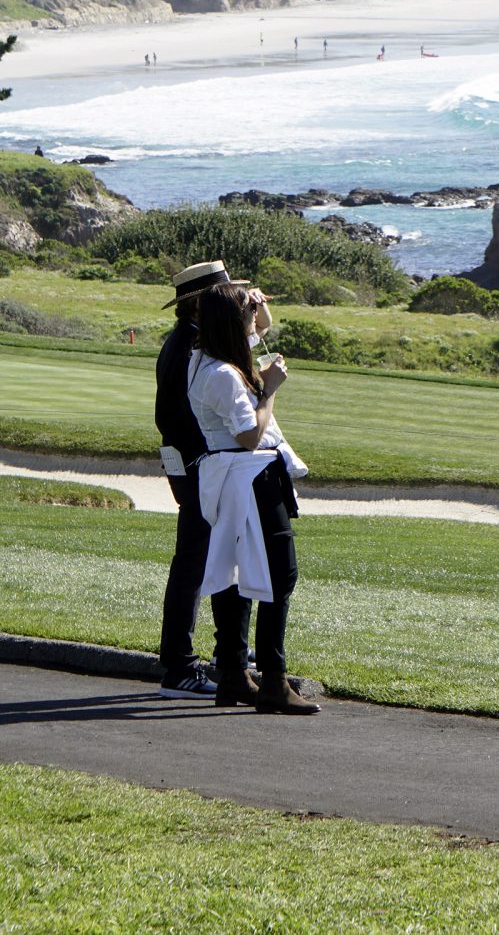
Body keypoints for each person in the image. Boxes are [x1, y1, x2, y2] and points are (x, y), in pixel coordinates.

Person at [188, 281, 319, 715]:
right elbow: (248, 436)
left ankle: (232, 675)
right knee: (280, 576)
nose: (255, 320)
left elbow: (259, 330)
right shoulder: (225, 375)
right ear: (231, 322)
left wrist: (257, 307)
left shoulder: (205, 359)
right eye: (247, 312)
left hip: (229, 477)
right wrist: (271, 389)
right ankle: (274, 681)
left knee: (235, 574)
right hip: (251, 476)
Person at [154, 259, 266, 699]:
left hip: (199, 466)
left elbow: (254, 335)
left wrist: (255, 309)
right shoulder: (188, 348)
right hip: (199, 467)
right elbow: (181, 419)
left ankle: (227, 654)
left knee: (211, 561)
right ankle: (179, 666)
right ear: (202, 303)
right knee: (194, 565)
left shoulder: (194, 340)